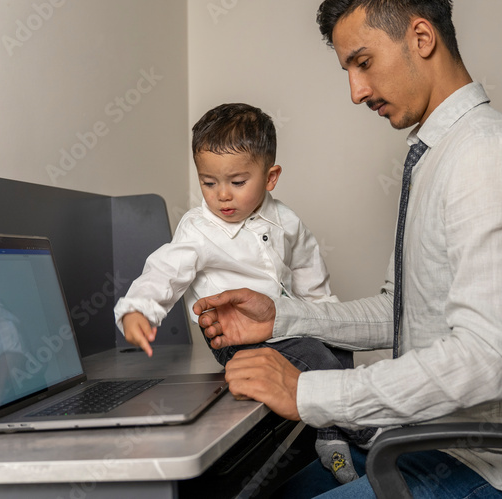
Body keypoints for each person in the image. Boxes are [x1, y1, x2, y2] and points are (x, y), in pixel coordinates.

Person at [192, 0, 502, 498]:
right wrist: (280, 318)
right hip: (440, 446)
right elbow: (401, 310)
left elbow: (487, 360)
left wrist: (309, 390)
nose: (357, 92)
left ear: (421, 37)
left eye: (363, 63)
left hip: (500, 472)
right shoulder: (439, 155)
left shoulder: (487, 155)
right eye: (348, 71)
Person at [113, 102, 375, 484]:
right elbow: (165, 271)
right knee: (314, 356)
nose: (222, 196)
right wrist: (139, 309)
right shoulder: (198, 229)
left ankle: (330, 437)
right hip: (236, 337)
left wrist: (324, 316)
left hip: (287, 321)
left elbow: (307, 267)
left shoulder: (285, 219)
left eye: (237, 183)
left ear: (270, 177)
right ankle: (370, 432)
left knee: (336, 348)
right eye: (208, 182)